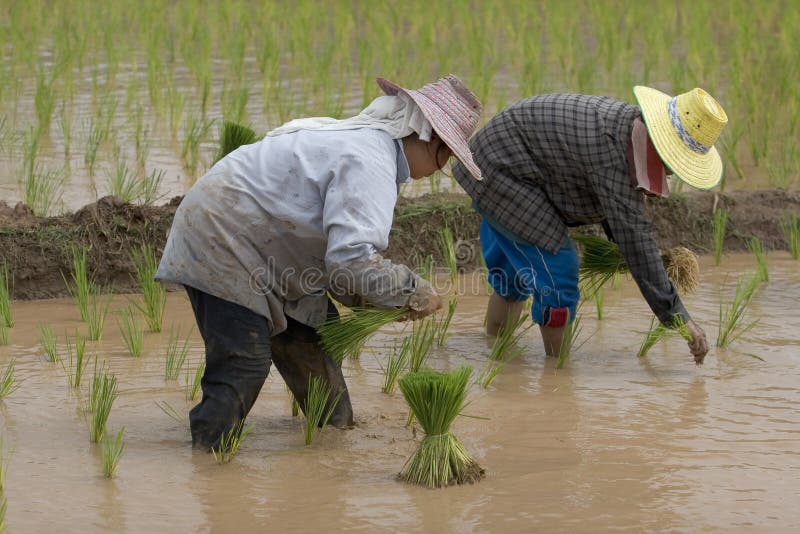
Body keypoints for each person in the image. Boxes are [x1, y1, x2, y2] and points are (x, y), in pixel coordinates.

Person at [156, 75, 484, 450]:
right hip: (224, 236)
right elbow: (352, 260)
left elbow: (338, 262)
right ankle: (210, 457)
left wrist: (374, 301)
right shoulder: (369, 160)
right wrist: (411, 291)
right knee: (244, 362)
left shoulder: (364, 146)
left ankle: (332, 442)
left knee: (314, 342)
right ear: (433, 141)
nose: (437, 170)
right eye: (447, 158)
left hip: (279, 254)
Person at [452, 86, 729, 365]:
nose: (672, 170)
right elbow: (635, 237)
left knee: (513, 279)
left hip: (501, 158)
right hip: (502, 170)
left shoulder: (629, 128)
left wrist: (647, 259)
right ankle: (558, 378)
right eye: (675, 161)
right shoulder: (614, 155)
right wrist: (680, 319)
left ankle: (495, 359)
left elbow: (625, 224)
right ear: (661, 142)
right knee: (558, 272)